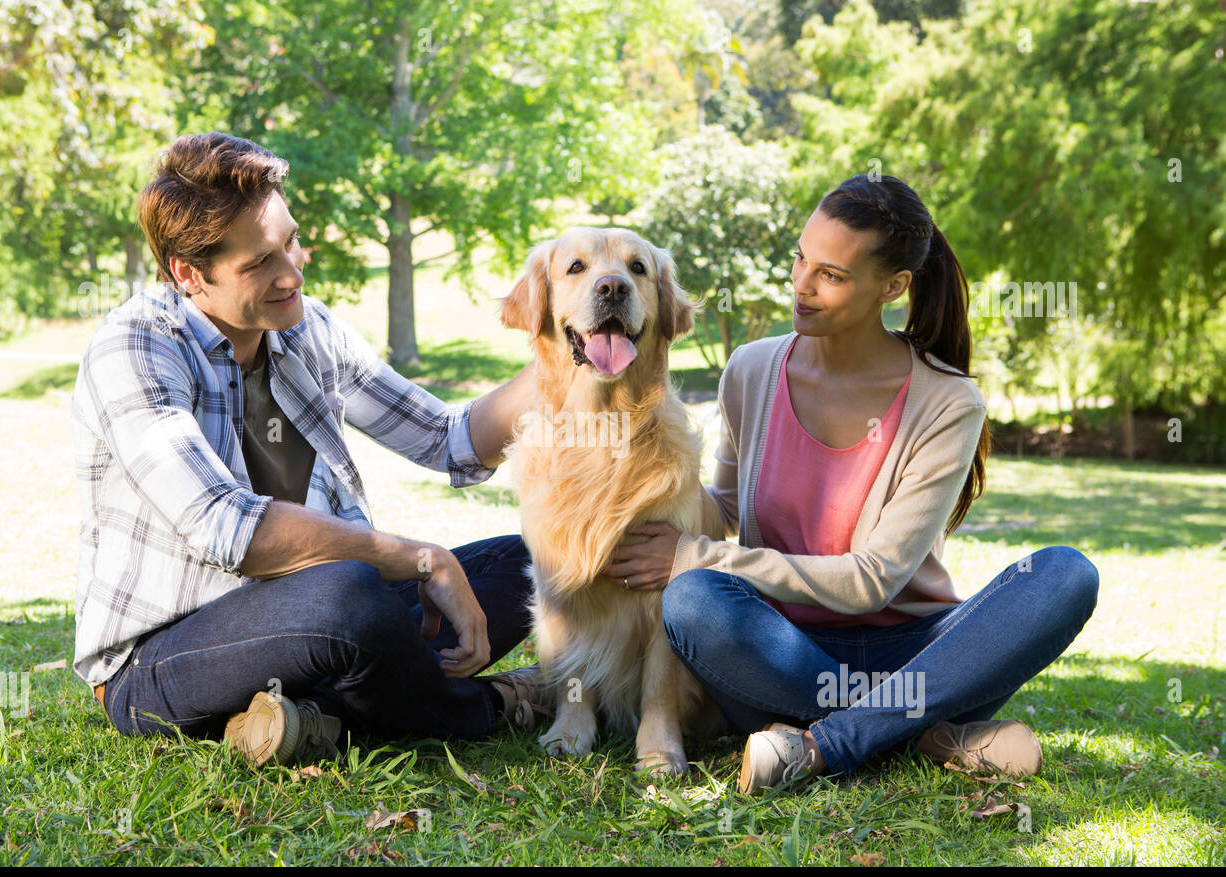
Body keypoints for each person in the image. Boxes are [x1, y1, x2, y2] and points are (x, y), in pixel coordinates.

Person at [601, 174, 1100, 793]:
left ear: (892, 287)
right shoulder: (752, 370)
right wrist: (638, 452)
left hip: (918, 653)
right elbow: (721, 509)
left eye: (832, 275)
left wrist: (691, 556)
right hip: (781, 652)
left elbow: (873, 580)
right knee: (694, 602)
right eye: (801, 258)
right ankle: (926, 735)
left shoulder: (947, 402)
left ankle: (821, 746)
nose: (803, 286)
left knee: (1065, 575)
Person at [72, 132, 552, 767]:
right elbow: (228, 528)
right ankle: (491, 704)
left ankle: (308, 719)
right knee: (352, 597)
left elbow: (447, 438)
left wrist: (561, 362)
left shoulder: (305, 326)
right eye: (259, 264)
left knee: (536, 561)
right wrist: (421, 559)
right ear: (188, 275)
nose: (291, 274)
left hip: (317, 619)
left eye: (290, 243)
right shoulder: (135, 349)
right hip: (163, 658)